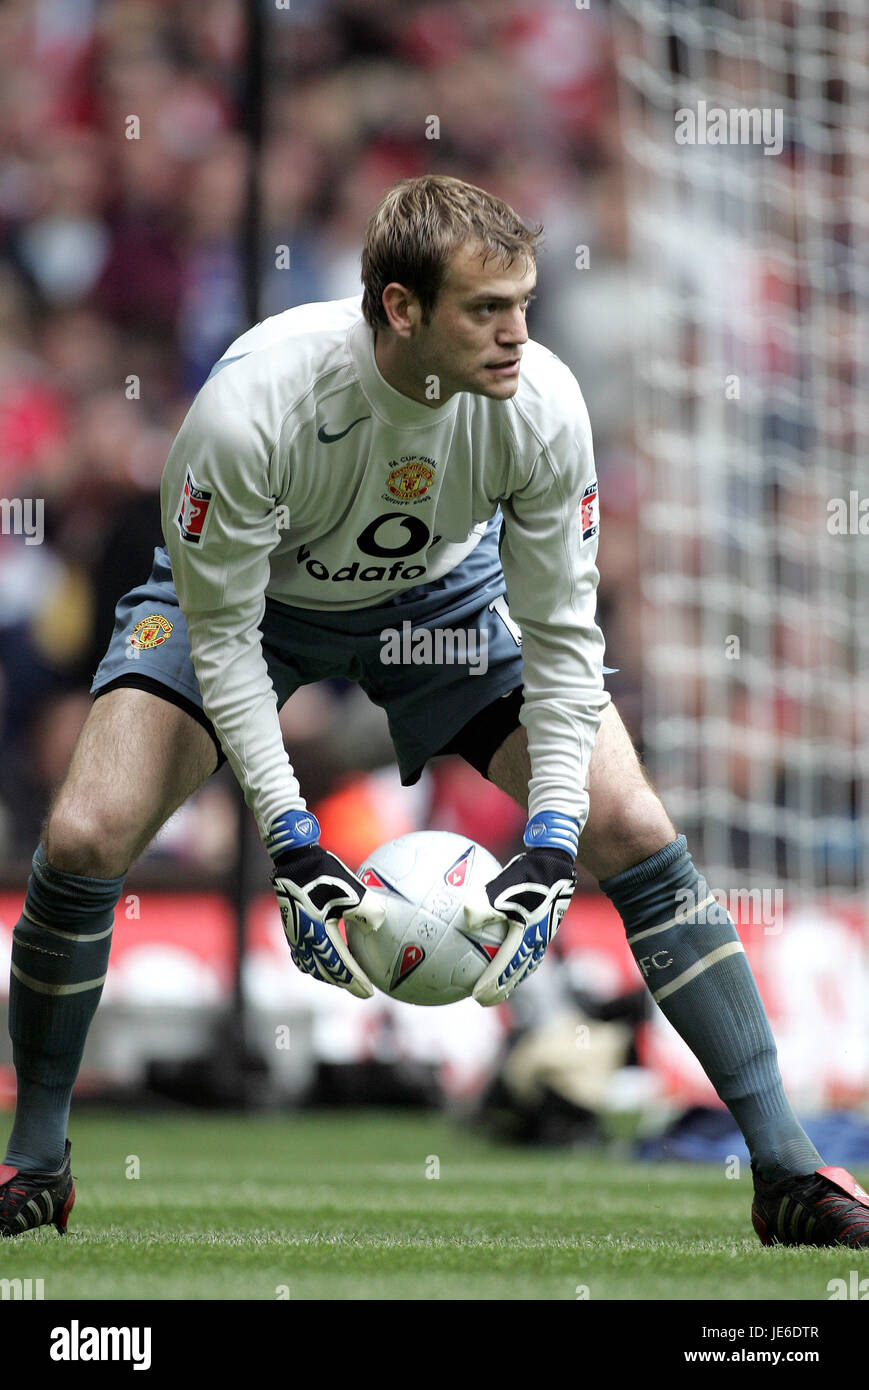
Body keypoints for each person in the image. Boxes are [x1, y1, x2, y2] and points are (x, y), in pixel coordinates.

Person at [2, 175, 866, 1248]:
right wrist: (293, 839)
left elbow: (562, 642)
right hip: (247, 610)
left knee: (633, 828)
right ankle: (36, 1159)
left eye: (525, 305)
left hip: (446, 612)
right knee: (84, 831)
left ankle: (785, 1169)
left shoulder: (541, 404)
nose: (516, 336)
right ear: (401, 309)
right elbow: (221, 640)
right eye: (484, 310)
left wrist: (552, 838)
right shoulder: (255, 403)